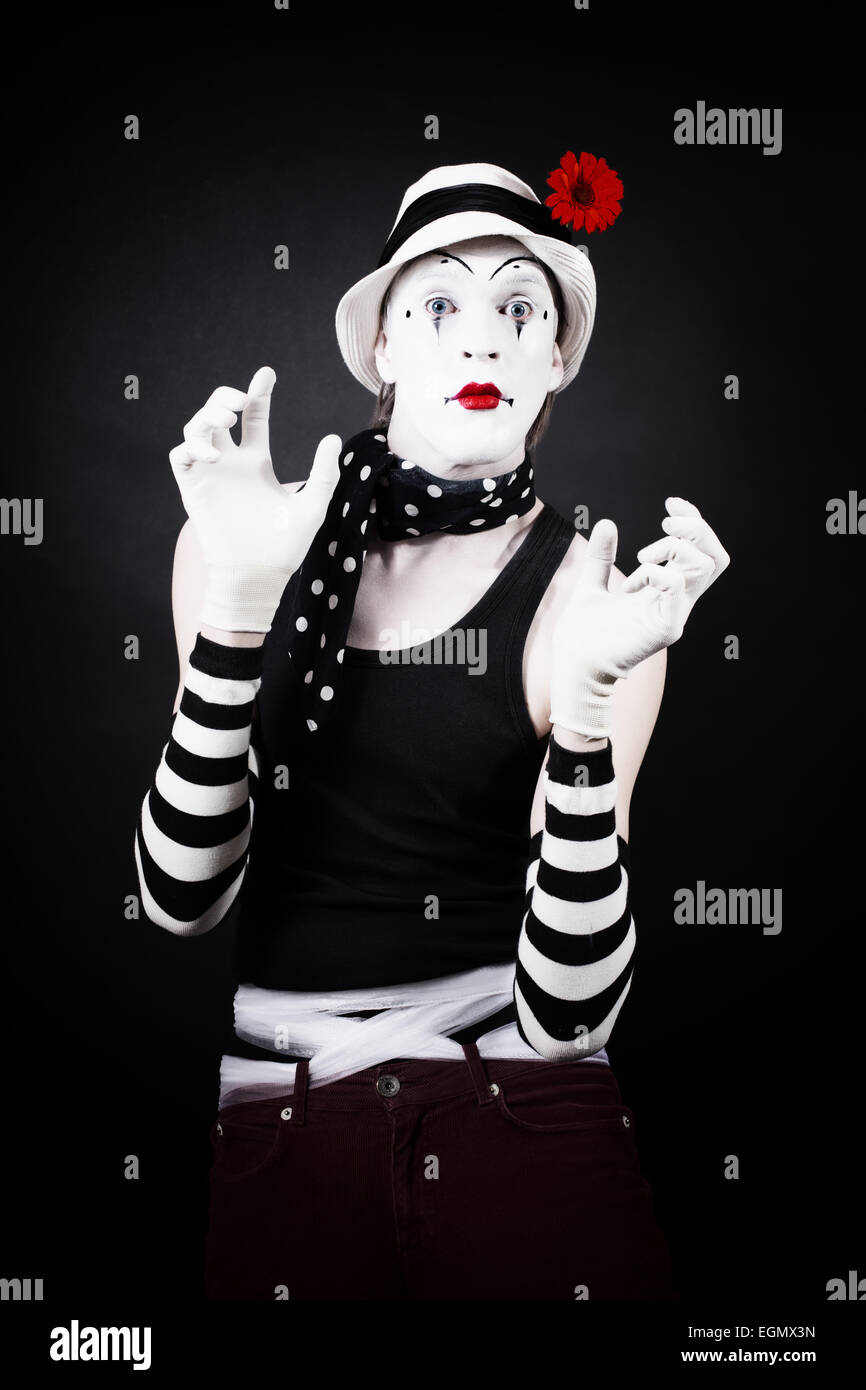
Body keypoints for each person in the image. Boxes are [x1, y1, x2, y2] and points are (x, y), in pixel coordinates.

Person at [134, 161, 730, 1300]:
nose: (483, 343)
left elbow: (567, 1012)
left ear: (555, 357)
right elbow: (180, 897)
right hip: (279, 1127)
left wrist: (589, 708)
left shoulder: (587, 593)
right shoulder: (242, 535)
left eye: (520, 311)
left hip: (528, 1119)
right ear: (385, 348)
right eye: (440, 307)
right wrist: (233, 606)